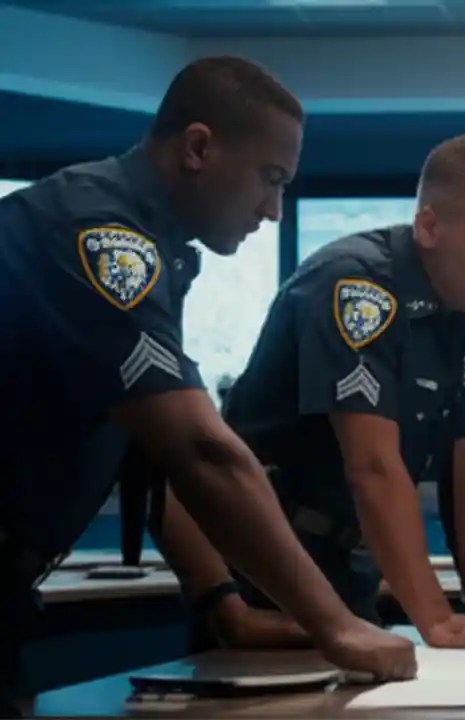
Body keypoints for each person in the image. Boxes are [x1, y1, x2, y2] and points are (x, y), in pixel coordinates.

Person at [0, 56, 415, 715]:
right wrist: (337, 626)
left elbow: (157, 456)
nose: (275, 210)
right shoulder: (97, 233)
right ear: (199, 147)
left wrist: (223, 602)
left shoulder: (155, 248)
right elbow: (203, 451)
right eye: (270, 180)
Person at [213, 133, 465, 651]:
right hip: (271, 563)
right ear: (430, 226)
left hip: (352, 565)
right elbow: (371, 466)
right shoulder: (357, 286)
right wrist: (436, 620)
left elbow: (464, 453)